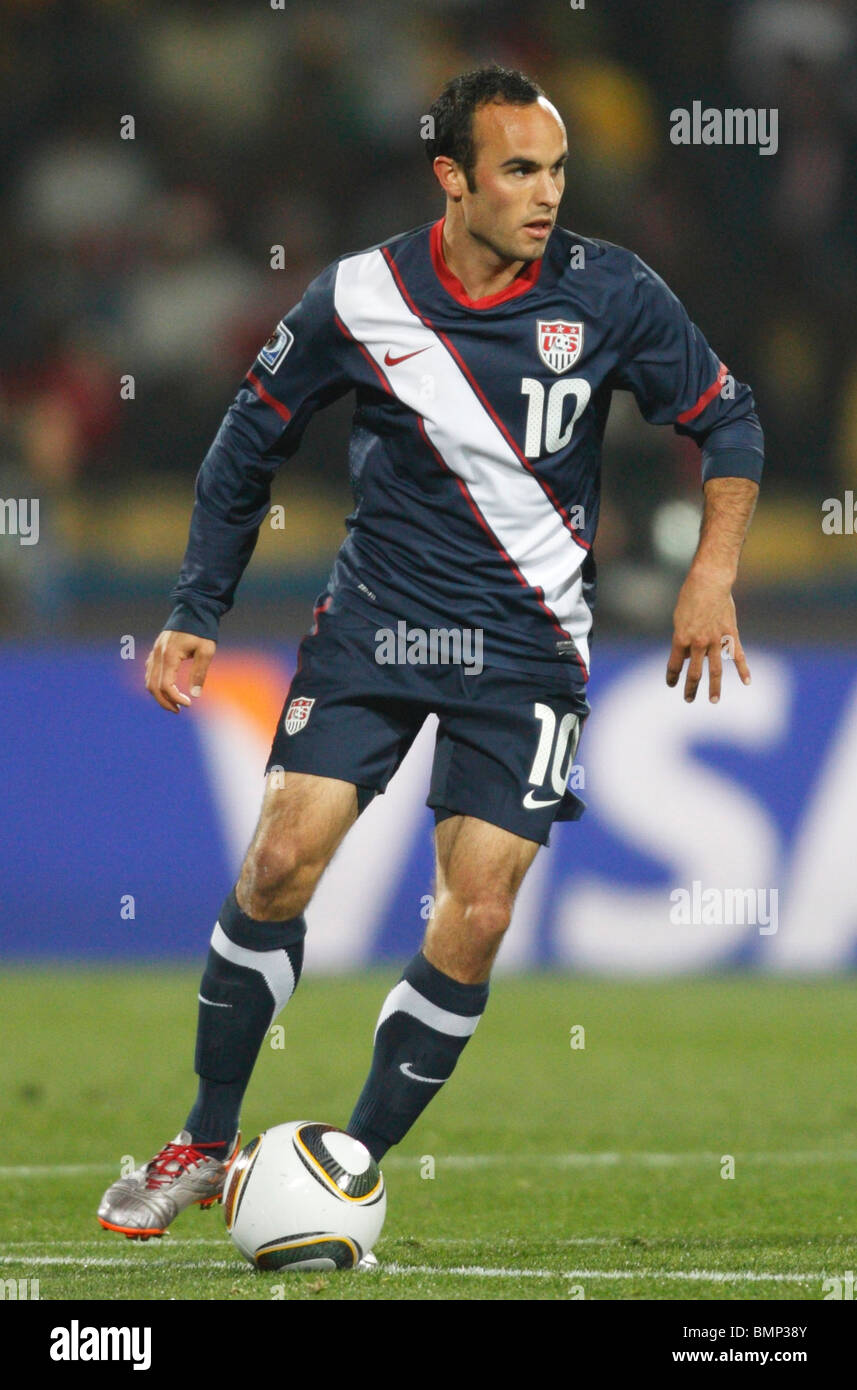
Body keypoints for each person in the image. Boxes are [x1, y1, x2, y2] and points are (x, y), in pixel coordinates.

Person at [98, 65, 763, 1252]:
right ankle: (203, 1142)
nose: (546, 194)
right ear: (450, 177)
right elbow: (245, 442)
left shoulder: (610, 293)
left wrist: (711, 573)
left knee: (479, 910)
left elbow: (728, 416)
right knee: (278, 866)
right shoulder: (361, 297)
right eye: (518, 171)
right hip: (376, 630)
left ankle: (343, 1166)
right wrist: (198, 603)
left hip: (528, 652)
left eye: (556, 169)